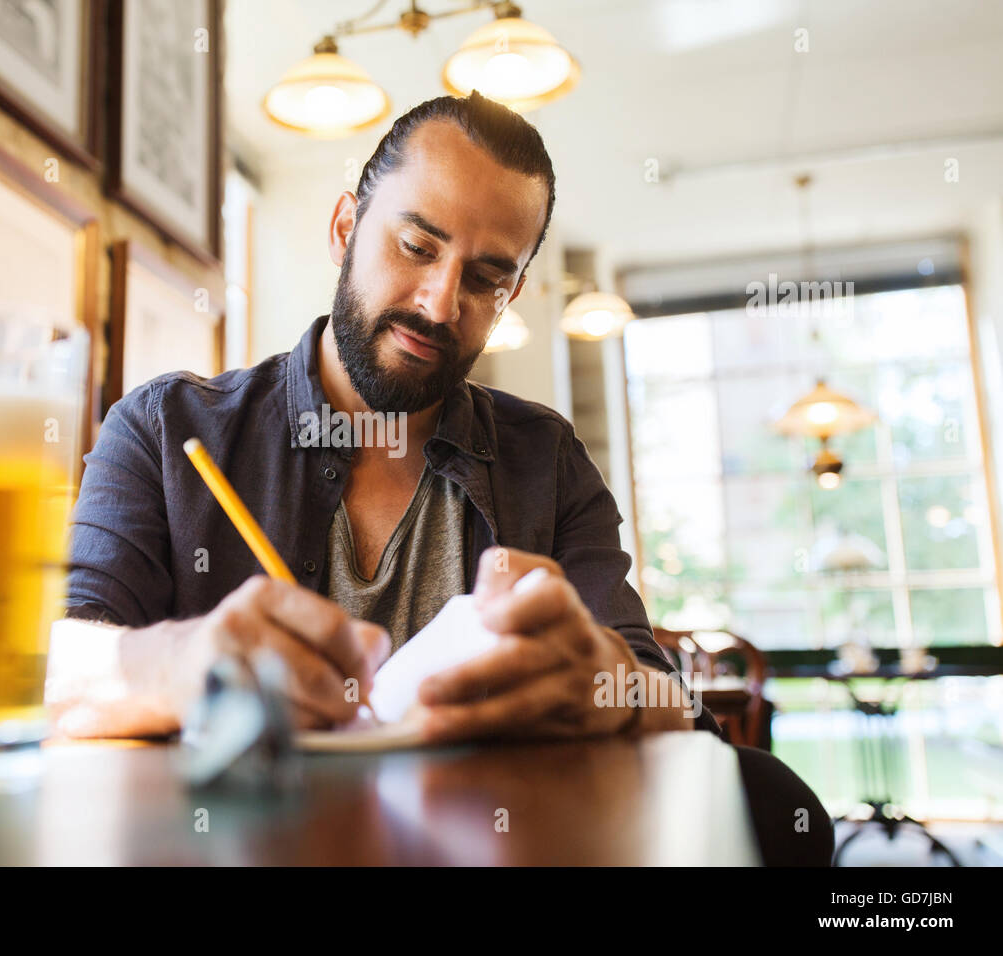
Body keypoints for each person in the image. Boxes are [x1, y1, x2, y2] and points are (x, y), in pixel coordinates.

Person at [61, 91, 832, 865]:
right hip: (232, 845)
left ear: (511, 295)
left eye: (484, 278)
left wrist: (604, 680)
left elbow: (669, 707)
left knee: (771, 802)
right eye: (417, 247)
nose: (438, 304)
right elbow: (58, 667)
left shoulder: (545, 458)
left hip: (480, 847)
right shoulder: (167, 429)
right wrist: (176, 661)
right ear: (344, 229)